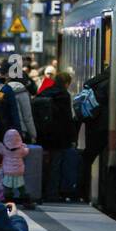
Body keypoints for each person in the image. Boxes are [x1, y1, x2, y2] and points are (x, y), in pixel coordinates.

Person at [35, 71, 77, 201]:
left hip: (42, 135)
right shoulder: (64, 95)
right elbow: (67, 118)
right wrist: (72, 138)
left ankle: (39, 191)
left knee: (42, 165)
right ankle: (52, 194)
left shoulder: (44, 93)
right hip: (58, 137)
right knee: (55, 165)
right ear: (66, 83)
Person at [76, 70, 110, 207]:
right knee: (104, 162)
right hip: (104, 127)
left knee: (87, 159)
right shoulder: (110, 83)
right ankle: (102, 197)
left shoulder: (93, 82)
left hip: (91, 125)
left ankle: (81, 192)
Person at [0, 58, 36, 144]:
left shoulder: (0, 89)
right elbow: (27, 117)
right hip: (21, 132)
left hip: (4, 131)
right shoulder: (21, 89)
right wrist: (33, 135)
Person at [0, 128, 28, 205]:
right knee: (21, 186)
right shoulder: (21, 149)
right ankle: (25, 199)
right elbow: (26, 151)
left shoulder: (4, 149)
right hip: (18, 172)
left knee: (7, 186)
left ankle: (8, 199)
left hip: (8, 172)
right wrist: (25, 146)